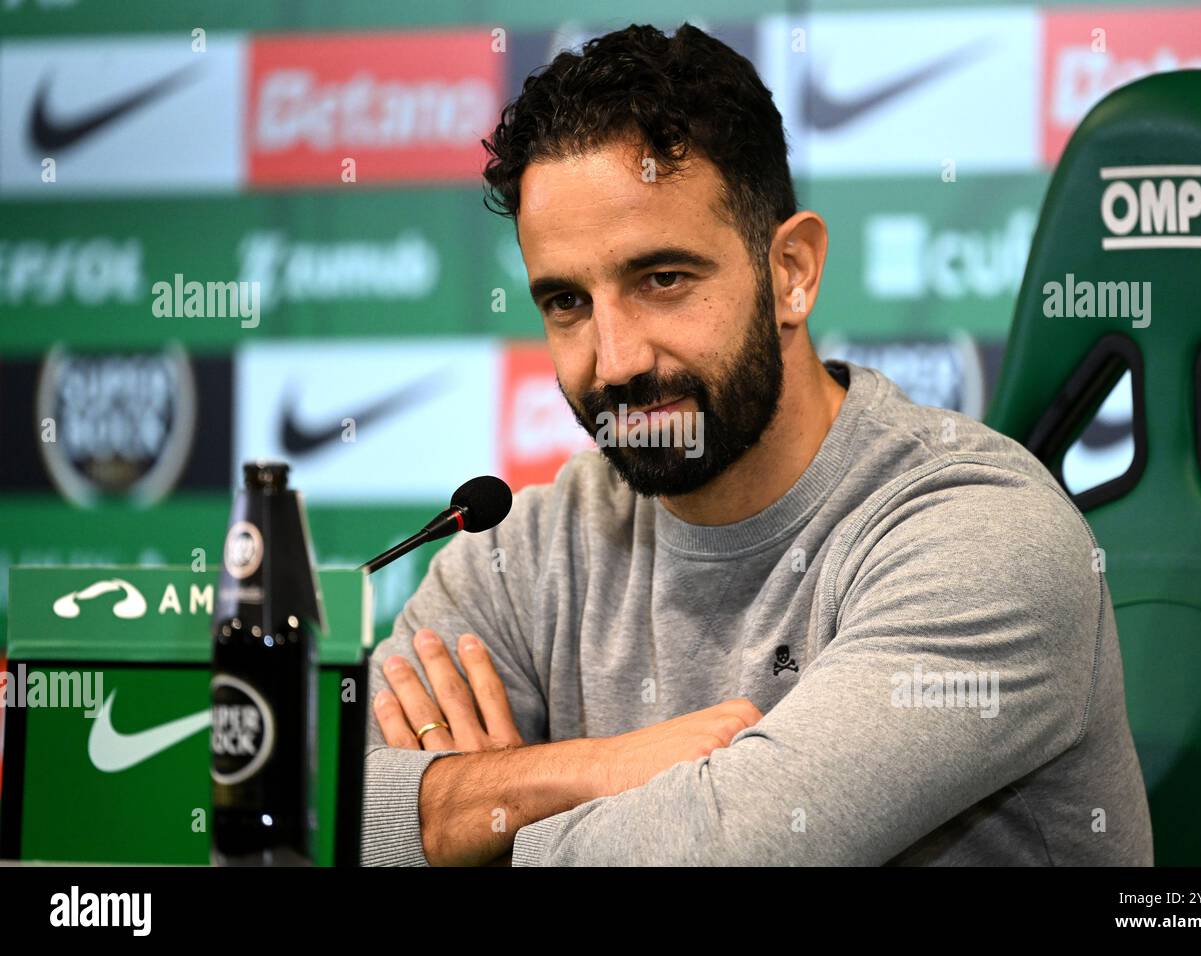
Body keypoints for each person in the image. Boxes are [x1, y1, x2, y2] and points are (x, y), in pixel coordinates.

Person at [361, 22, 1153, 866]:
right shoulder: (521, 555)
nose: (615, 360)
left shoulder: (981, 537)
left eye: (662, 279)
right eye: (567, 302)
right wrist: (594, 767)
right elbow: (297, 807)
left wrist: (462, 814)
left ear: (792, 272)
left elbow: (726, 852)